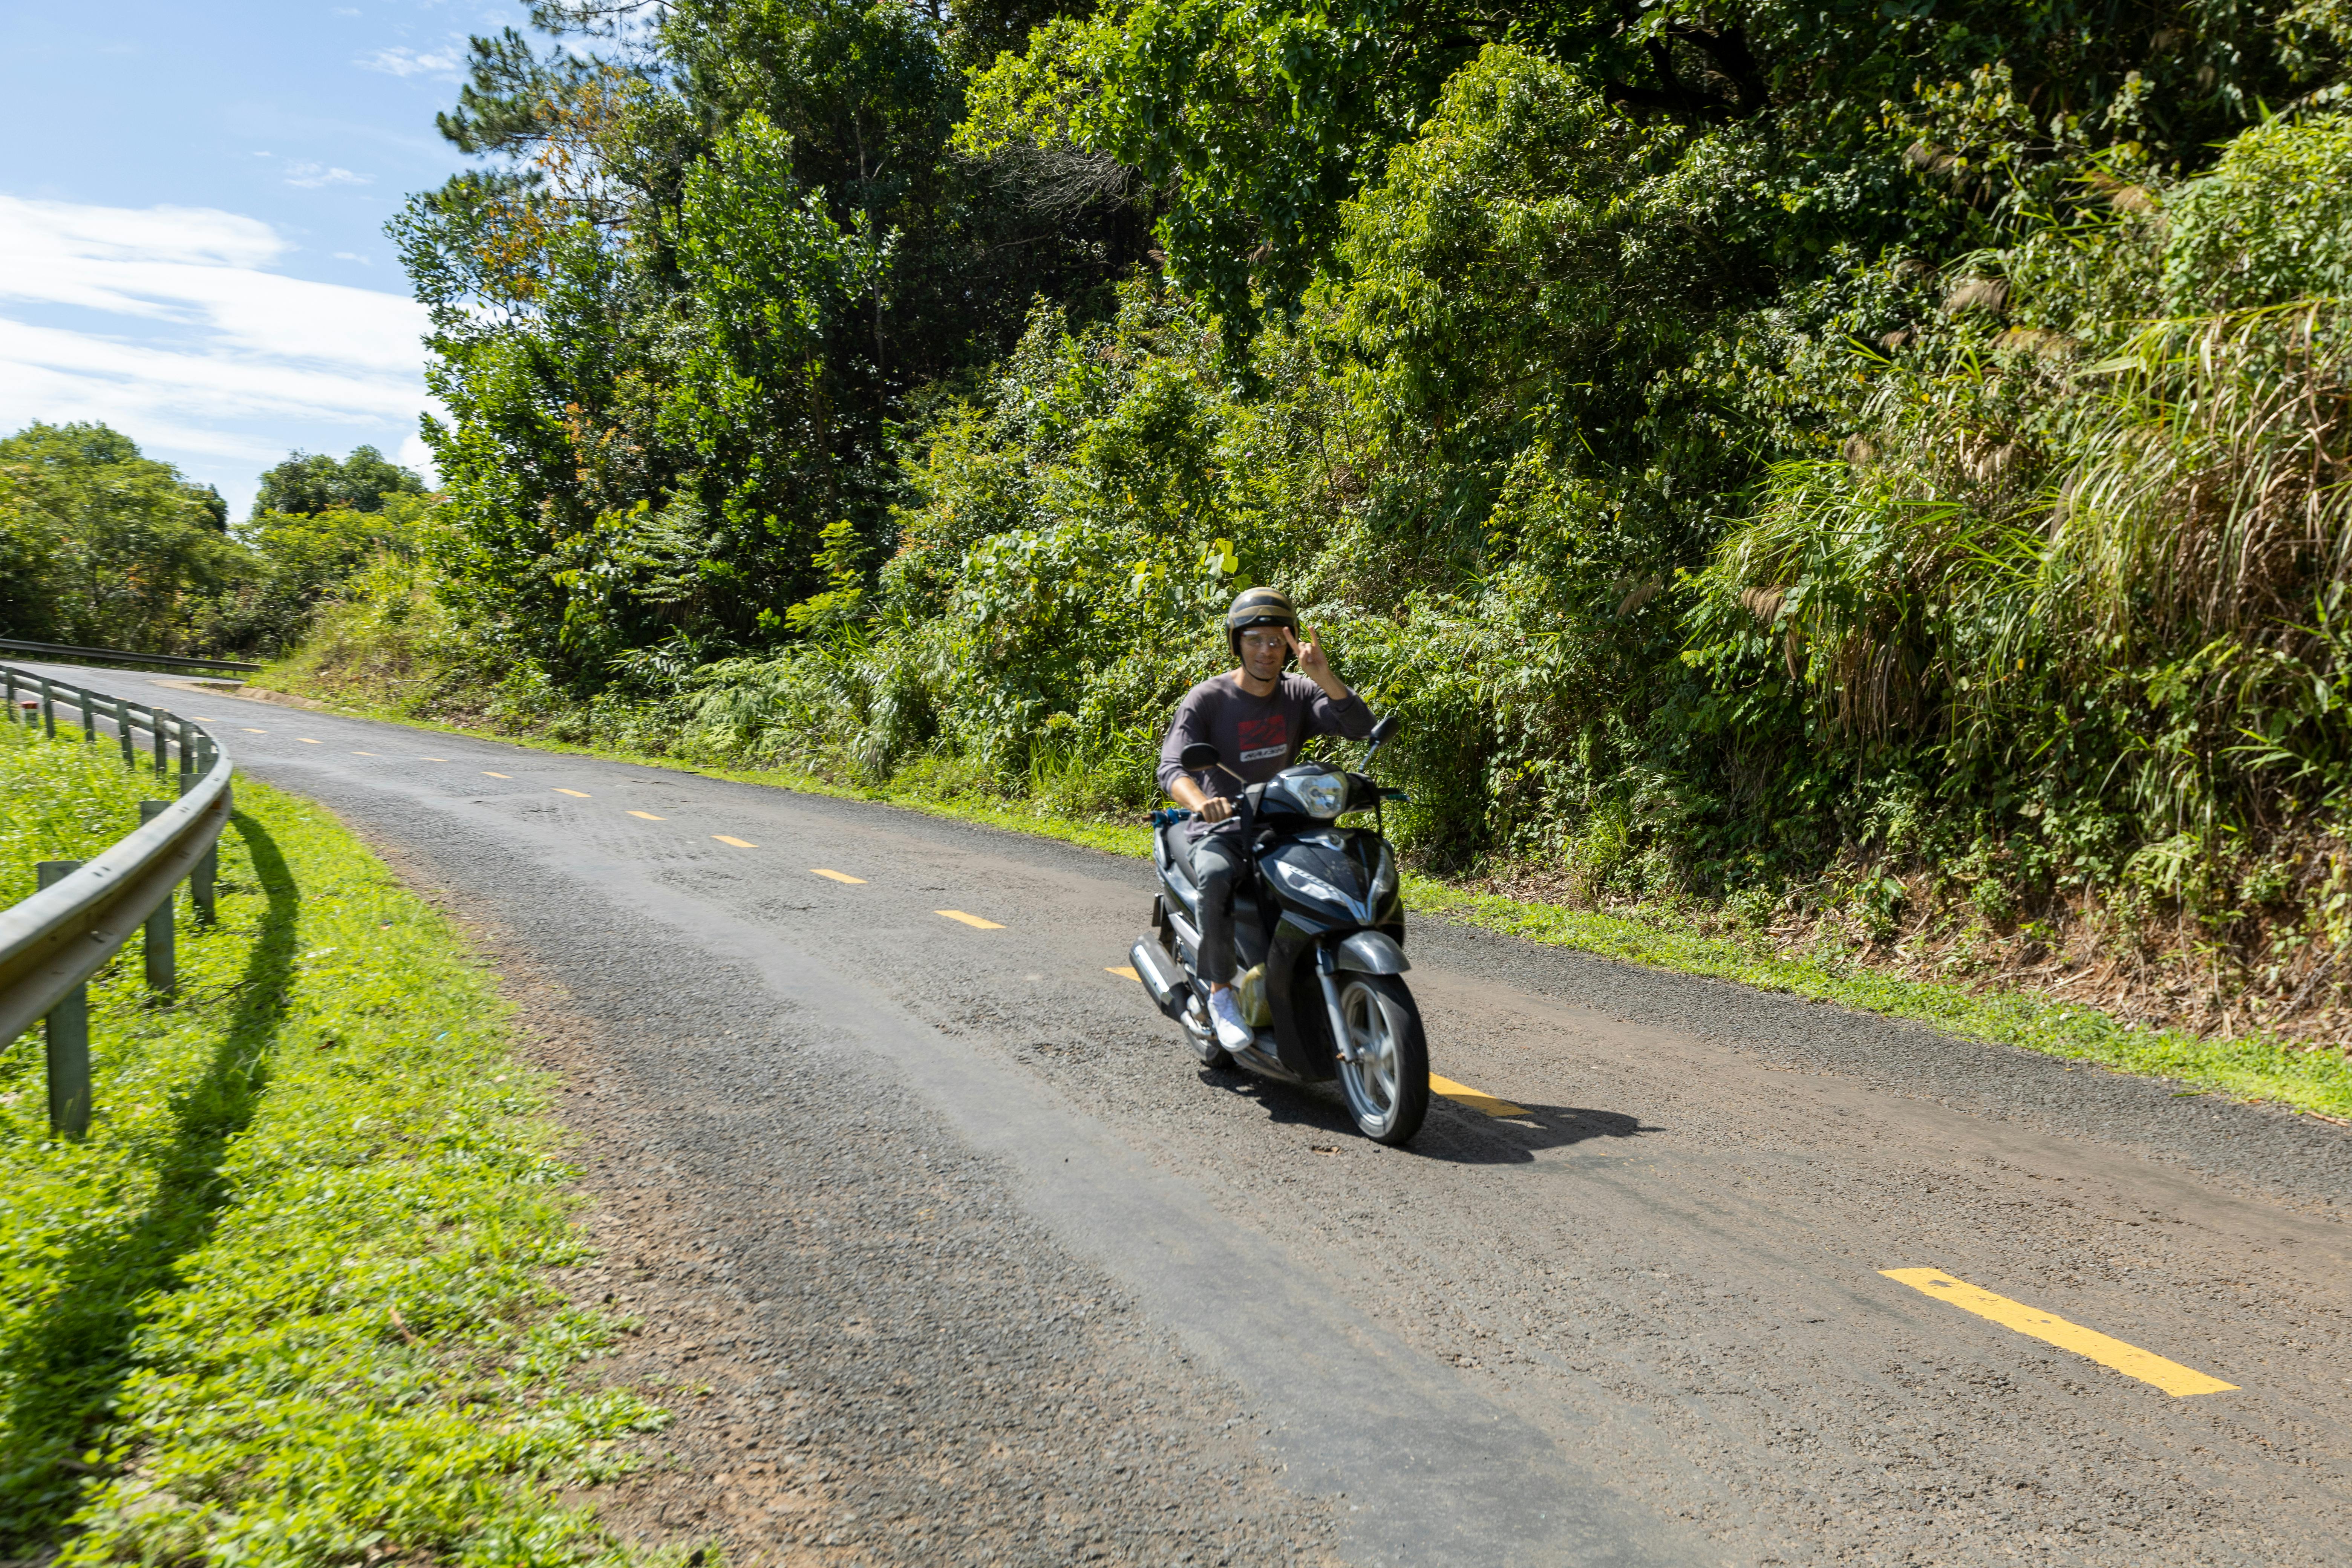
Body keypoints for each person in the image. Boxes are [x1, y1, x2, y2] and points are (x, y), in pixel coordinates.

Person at [1158, 587, 1375, 1051]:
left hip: (1287, 825)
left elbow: (1358, 727)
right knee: (1216, 876)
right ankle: (1220, 993)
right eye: (1255, 640)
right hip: (1226, 828)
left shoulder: (1299, 692)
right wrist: (1200, 801)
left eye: (1277, 641)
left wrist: (1324, 675)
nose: (1266, 651)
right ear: (1236, 642)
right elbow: (1173, 767)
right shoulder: (1209, 698)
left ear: (1290, 645)